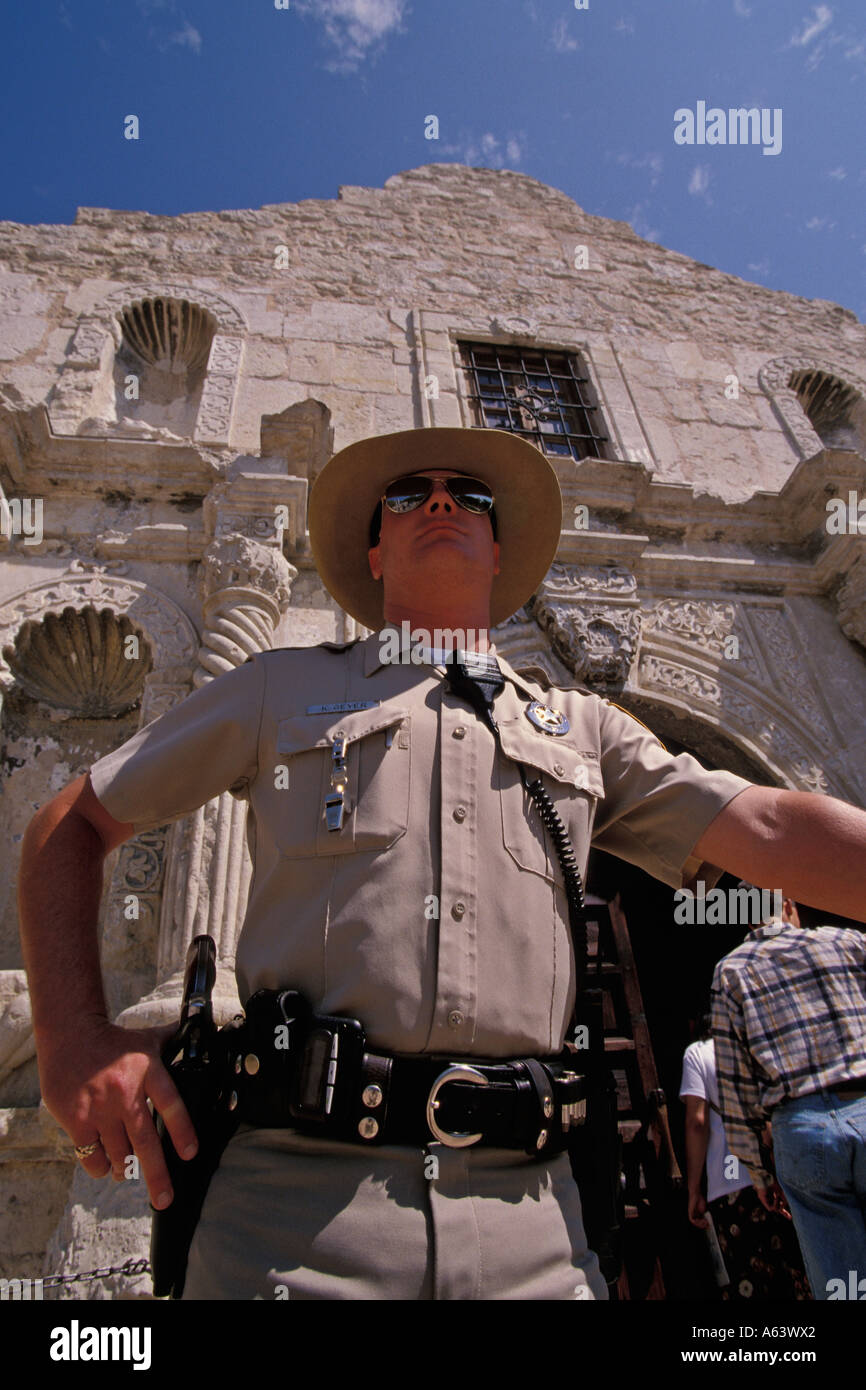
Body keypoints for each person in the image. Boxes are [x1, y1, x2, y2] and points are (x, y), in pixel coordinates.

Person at [18, 426, 866, 1300]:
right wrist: (73, 1040)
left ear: (498, 546)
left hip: (536, 1224)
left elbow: (764, 823)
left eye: (470, 494)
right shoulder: (276, 687)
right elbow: (70, 822)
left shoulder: (584, 729)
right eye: (406, 494)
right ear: (375, 550)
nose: (438, 502)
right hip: (289, 1220)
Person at [711, 896, 866, 1300]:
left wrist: (759, 1173)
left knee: (844, 1286)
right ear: (790, 906)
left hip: (800, 1128)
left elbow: (735, 1086)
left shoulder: (731, 972)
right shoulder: (845, 941)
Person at [680, 1009, 811, 1300]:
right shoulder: (758, 1047)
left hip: (730, 1189)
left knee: (748, 1283)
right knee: (796, 1275)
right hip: (778, 1181)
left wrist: (693, 1190)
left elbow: (697, 1122)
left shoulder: (698, 1054)